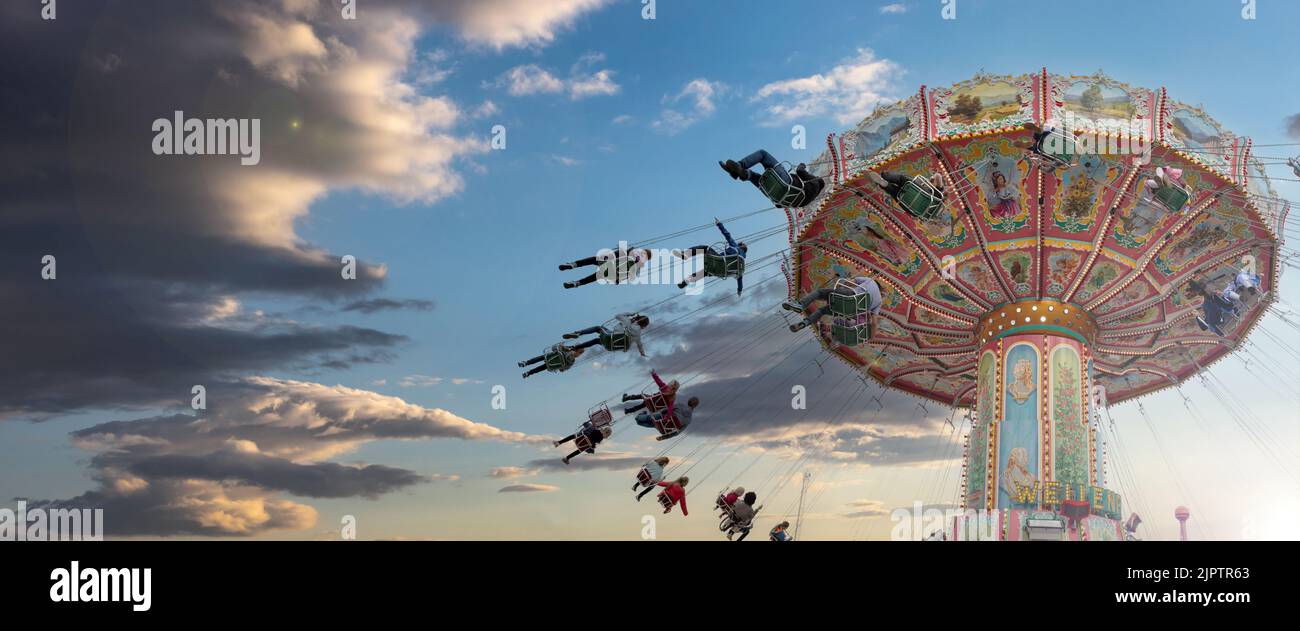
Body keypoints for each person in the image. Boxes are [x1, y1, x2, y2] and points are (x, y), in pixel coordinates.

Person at [719, 149, 826, 208]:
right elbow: (780, 206)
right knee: (753, 176)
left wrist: (802, 165)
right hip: (774, 195)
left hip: (787, 183)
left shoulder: (815, 182)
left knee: (763, 154)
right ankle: (740, 172)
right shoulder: (807, 201)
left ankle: (739, 165)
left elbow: (800, 171)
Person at [784, 275, 882, 334]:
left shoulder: (870, 280)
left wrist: (841, 286)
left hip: (849, 297)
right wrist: (871, 337)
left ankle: (800, 305)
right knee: (822, 310)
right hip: (847, 311)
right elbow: (874, 323)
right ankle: (804, 323)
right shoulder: (879, 302)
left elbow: (850, 282)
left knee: (819, 292)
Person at [675, 218, 747, 295]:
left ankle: (686, 254)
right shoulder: (740, 264)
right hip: (721, 272)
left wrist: (719, 224)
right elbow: (740, 280)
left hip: (720, 262)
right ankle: (686, 281)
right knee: (705, 272)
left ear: (740, 246)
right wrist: (739, 291)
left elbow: (727, 235)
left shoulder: (735, 247)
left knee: (705, 248)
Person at [559, 246, 653, 289]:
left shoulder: (634, 255)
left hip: (611, 264)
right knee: (596, 276)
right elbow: (629, 276)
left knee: (593, 260)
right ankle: (576, 283)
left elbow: (618, 254)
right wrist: (618, 280)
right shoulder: (638, 268)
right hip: (613, 272)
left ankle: (572, 265)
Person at [563, 312, 650, 357]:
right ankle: (573, 348)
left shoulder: (627, 321)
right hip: (611, 346)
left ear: (637, 319)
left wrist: (631, 313)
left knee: (597, 328)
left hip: (610, 337)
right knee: (596, 341)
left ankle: (578, 333)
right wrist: (642, 353)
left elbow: (617, 315)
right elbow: (640, 345)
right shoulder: (638, 335)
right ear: (643, 326)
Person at [866, 170, 945, 208]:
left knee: (901, 178)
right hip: (908, 203)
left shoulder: (939, 195)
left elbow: (938, 175)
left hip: (914, 191)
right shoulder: (933, 207)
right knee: (894, 192)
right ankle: (885, 184)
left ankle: (885, 176)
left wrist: (932, 178)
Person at [518, 343, 585, 378]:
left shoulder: (568, 350)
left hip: (550, 357)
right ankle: (528, 373)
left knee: (541, 358)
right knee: (542, 367)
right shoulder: (572, 361)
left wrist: (561, 346)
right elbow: (562, 370)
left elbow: (554, 348)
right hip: (552, 364)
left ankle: (526, 363)